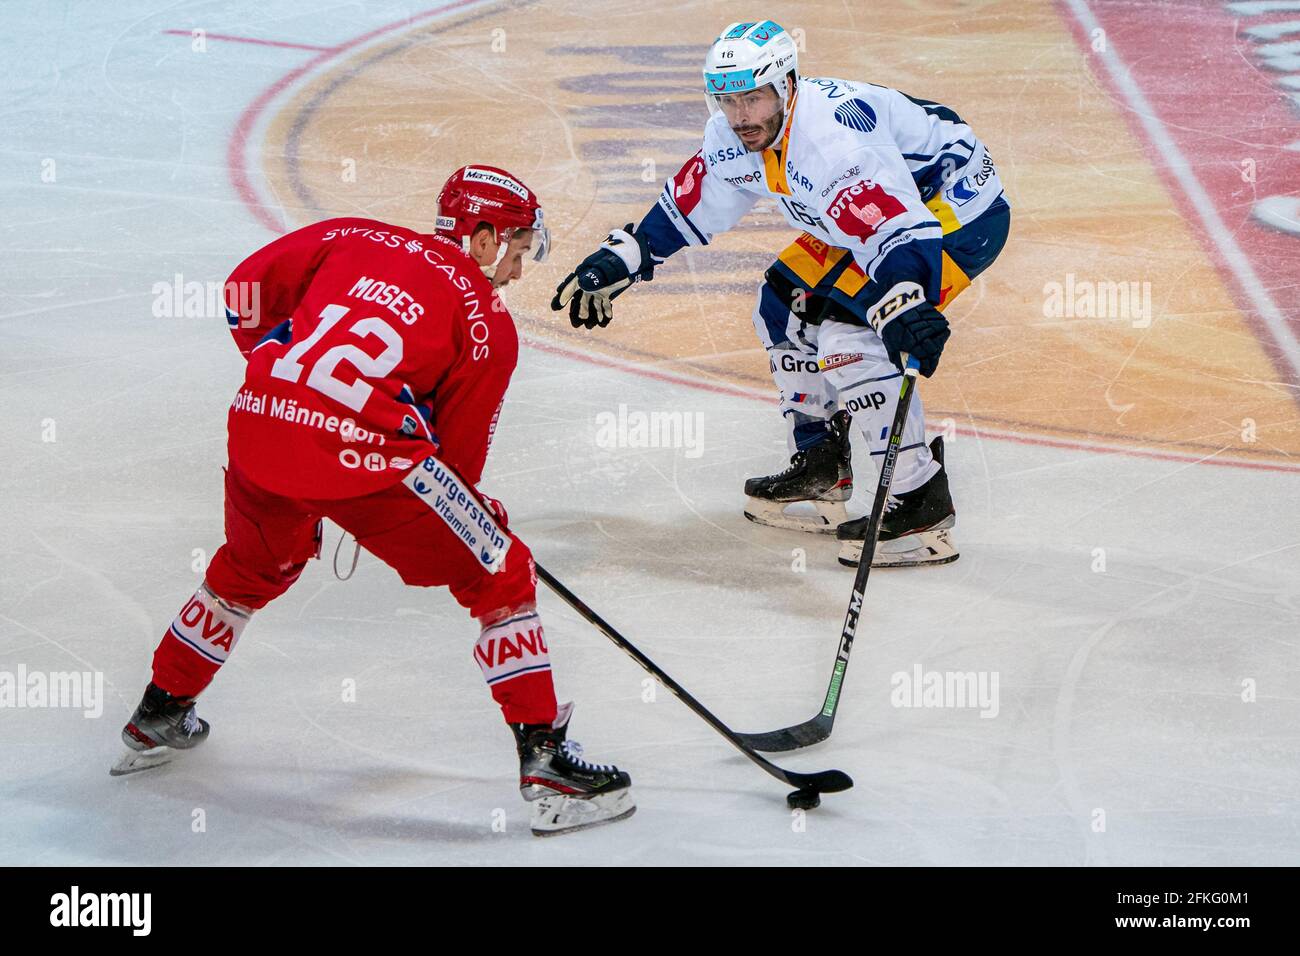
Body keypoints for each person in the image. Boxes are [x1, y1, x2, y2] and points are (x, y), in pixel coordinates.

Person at [113, 165, 634, 836]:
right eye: (516, 246)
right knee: (499, 569)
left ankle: (158, 712)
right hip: (365, 458)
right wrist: (479, 523)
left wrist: (279, 371)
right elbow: (456, 470)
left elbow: (243, 289)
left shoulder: (352, 234)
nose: (517, 269)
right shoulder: (486, 325)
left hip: (259, 424)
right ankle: (547, 762)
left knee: (251, 568)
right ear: (480, 238)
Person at [553, 20, 1010, 568]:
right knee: (781, 306)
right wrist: (624, 255)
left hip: (954, 212)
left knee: (850, 333)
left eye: (753, 98)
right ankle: (821, 465)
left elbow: (895, 229)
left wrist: (903, 300)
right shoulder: (738, 134)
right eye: (728, 100)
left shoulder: (833, 144)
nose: (742, 116)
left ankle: (920, 500)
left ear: (787, 85)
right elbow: (696, 200)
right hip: (865, 218)